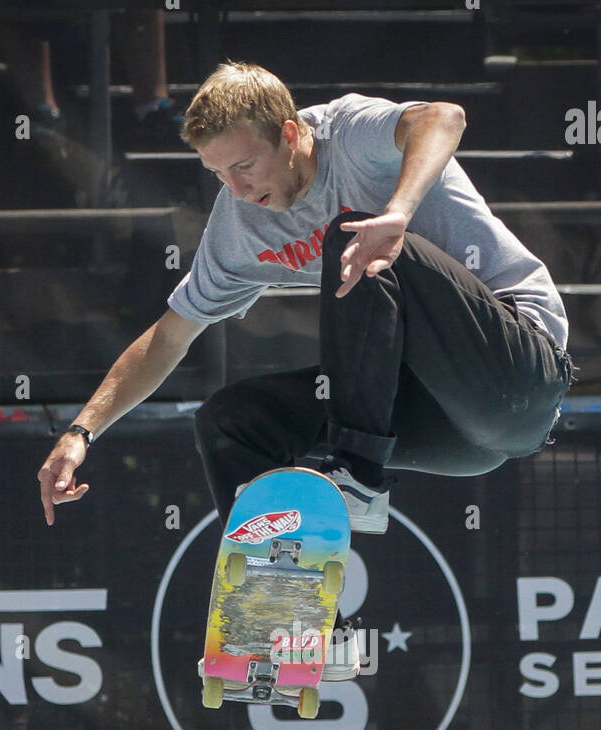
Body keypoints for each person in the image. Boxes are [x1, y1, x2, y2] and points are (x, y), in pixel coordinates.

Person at [37, 61, 574, 678]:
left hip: (517, 374)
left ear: (290, 135)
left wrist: (397, 214)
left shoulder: (349, 132)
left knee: (357, 238)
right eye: (218, 174)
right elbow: (168, 338)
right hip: (445, 426)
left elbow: (444, 117)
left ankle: (358, 474)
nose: (237, 189)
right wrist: (81, 433)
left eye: (245, 166)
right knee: (230, 422)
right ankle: (297, 629)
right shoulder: (239, 222)